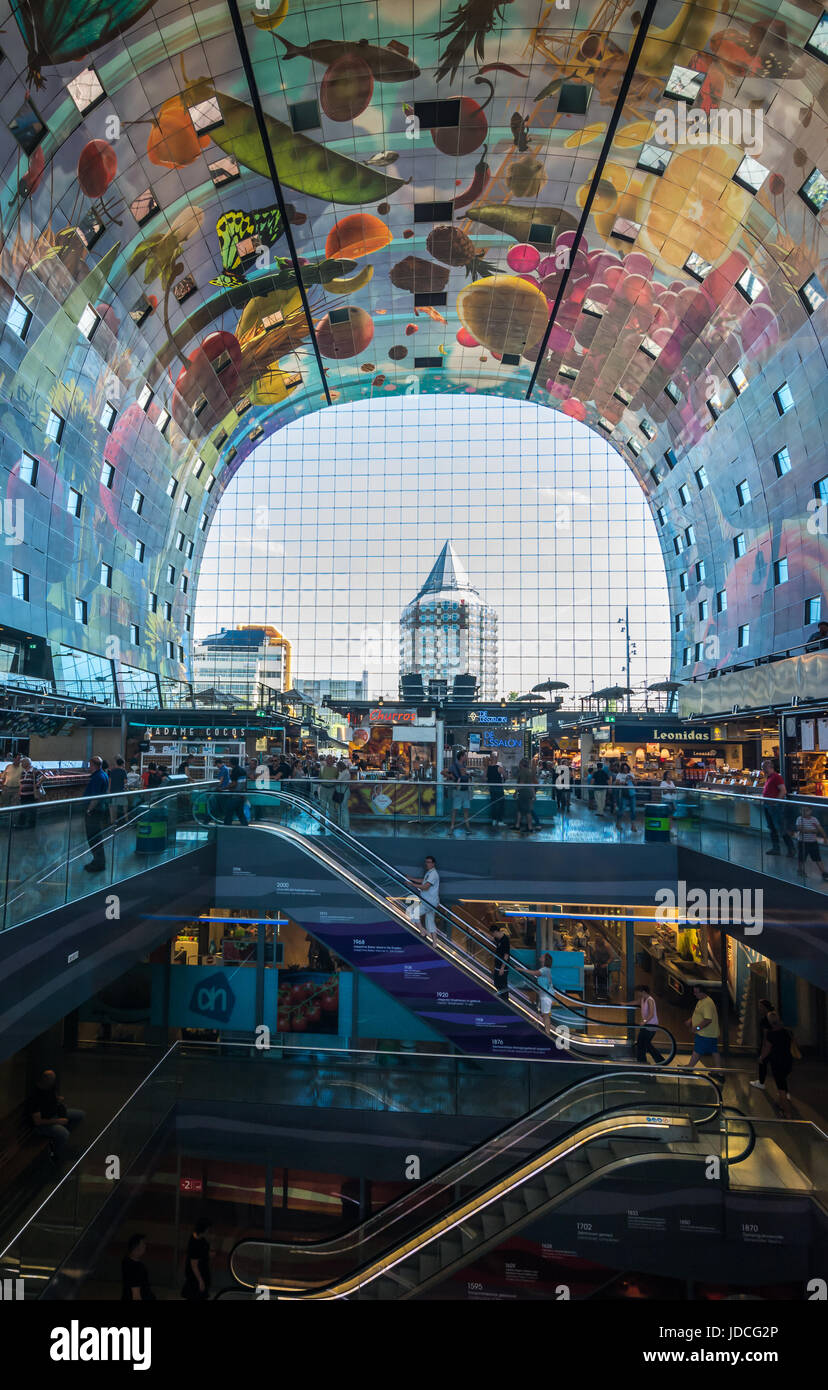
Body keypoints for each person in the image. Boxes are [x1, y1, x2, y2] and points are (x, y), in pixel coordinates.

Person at [28, 1069, 85, 1159]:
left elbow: (52, 1098)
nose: (53, 1082)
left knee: (80, 1114)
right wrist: (58, 1121)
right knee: (63, 1133)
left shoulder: (50, 1087)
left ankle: (61, 1140)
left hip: (54, 1114)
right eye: (52, 1080)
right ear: (45, 1080)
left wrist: (57, 1100)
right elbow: (38, 1121)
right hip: (44, 1124)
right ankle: (56, 1153)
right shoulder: (35, 1096)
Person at [758, 1010, 795, 1117]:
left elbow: (767, 1049)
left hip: (777, 1062)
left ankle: (787, 1112)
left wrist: (761, 1058)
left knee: (781, 1088)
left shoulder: (771, 1034)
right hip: (788, 1060)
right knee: (783, 1081)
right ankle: (779, 1102)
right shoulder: (788, 1032)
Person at [761, 758, 794, 858]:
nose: (762, 770)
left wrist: (775, 802)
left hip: (774, 807)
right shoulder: (769, 777)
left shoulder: (776, 777)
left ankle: (791, 848)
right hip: (768, 805)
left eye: (763, 768)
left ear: (769, 767)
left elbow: (783, 791)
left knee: (781, 828)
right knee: (772, 828)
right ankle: (776, 848)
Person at [82, 754, 110, 872]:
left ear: (93, 765)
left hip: (94, 811)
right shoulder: (103, 774)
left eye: (90, 765)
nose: (89, 767)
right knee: (96, 837)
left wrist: (89, 809)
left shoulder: (97, 777)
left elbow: (95, 797)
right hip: (100, 809)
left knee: (93, 837)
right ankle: (98, 860)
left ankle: (99, 863)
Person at [686, 985, 721, 1069]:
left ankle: (690, 1068)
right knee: (714, 1051)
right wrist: (690, 1020)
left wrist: (696, 1028)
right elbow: (698, 1013)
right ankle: (720, 1072)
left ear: (702, 992)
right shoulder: (702, 1000)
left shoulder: (707, 1004)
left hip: (705, 1034)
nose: (694, 994)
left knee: (697, 1050)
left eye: (696, 992)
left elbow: (708, 1020)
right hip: (710, 1033)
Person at [408, 855, 440, 939]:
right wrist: (411, 878)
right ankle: (435, 942)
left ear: (433, 863)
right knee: (430, 921)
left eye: (429, 862)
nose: (427, 864)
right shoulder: (430, 872)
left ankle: (423, 931)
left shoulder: (433, 874)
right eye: (426, 862)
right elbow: (423, 881)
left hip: (429, 902)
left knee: (414, 913)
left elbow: (425, 886)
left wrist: (411, 884)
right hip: (429, 901)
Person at [524, 951, 555, 1034]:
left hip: (546, 996)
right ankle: (547, 1031)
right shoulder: (545, 969)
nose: (541, 956)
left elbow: (535, 973)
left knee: (546, 1015)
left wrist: (521, 969)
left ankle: (548, 1033)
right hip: (546, 995)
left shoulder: (544, 970)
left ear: (545, 960)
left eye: (543, 956)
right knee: (545, 1014)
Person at [181, 1218, 212, 1300]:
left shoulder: (197, 1237)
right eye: (207, 1230)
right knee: (196, 1294)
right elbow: (194, 1265)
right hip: (197, 1274)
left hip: (199, 1271)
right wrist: (200, 1281)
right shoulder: (195, 1244)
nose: (208, 1231)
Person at [794, 807, 828, 881]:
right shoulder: (799, 819)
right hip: (802, 842)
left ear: (811, 811)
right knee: (802, 858)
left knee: (817, 857)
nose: (804, 812)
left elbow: (819, 828)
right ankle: (800, 870)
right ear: (800, 811)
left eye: (806, 810)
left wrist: (825, 837)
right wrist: (812, 831)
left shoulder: (814, 819)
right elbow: (799, 829)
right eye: (802, 810)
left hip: (813, 842)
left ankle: (824, 872)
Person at [634, 984, 664, 1064]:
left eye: (638, 992)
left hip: (651, 1026)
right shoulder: (643, 999)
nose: (637, 994)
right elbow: (636, 1002)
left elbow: (651, 1014)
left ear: (643, 992)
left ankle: (659, 1060)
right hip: (646, 1025)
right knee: (642, 1043)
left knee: (645, 1044)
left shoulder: (650, 1000)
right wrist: (625, 1004)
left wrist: (644, 1021)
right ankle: (642, 1061)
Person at [750, 997, 775, 1091]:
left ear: (765, 1007)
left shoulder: (765, 1019)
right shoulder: (772, 1017)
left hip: (767, 1044)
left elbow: (765, 1034)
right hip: (773, 1044)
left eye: (760, 1006)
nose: (759, 1008)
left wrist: (763, 1047)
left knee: (762, 1063)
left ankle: (761, 1082)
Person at [122, 1234, 155, 1302]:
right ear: (136, 1247)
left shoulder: (127, 1260)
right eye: (143, 1244)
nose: (145, 1246)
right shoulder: (137, 1267)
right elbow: (136, 1295)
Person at [448, 748, 472, 834]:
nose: (466, 757)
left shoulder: (464, 766)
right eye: (465, 756)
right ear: (461, 757)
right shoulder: (454, 765)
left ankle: (467, 826)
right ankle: (452, 826)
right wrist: (453, 777)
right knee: (455, 809)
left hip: (465, 790)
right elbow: (445, 772)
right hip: (458, 790)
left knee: (465, 809)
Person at [16, 756, 44, 829]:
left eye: (22, 763)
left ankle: (31, 825)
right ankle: (21, 824)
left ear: (27, 763)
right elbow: (21, 784)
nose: (21, 764)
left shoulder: (35, 771)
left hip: (32, 795)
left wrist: (37, 785)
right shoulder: (23, 772)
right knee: (23, 810)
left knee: (32, 811)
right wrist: (19, 793)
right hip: (23, 795)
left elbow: (44, 777)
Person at [514, 757, 536, 834]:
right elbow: (531, 784)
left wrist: (515, 792)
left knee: (525, 811)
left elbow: (521, 783)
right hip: (529, 792)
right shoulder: (530, 772)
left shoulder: (522, 771)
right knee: (525, 810)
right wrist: (534, 795)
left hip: (524, 793)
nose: (519, 764)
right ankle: (518, 825)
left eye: (520, 763)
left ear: (522, 764)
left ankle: (529, 827)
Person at [486, 751, 506, 828]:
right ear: (495, 758)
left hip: (491, 788)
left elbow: (484, 778)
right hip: (499, 788)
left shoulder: (488, 768)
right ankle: (500, 820)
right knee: (501, 804)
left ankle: (494, 820)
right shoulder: (499, 768)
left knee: (494, 804)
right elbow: (506, 776)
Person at [491, 922, 511, 998]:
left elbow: (506, 955)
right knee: (496, 983)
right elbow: (492, 938)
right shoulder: (498, 938)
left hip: (502, 968)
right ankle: (503, 998)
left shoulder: (505, 940)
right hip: (497, 965)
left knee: (502, 985)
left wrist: (502, 968)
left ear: (496, 932)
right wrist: (482, 932)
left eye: (493, 933)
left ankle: (505, 999)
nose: (493, 935)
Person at [591, 933, 612, 1001]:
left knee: (604, 979)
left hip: (604, 963)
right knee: (596, 976)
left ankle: (604, 993)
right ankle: (597, 992)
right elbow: (595, 953)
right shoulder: (596, 944)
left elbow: (612, 957)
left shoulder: (606, 945)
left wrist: (607, 964)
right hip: (598, 963)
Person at [615, 761, 638, 827]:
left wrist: (632, 779)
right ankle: (618, 822)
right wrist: (622, 782)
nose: (625, 770)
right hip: (624, 793)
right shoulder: (619, 774)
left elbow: (635, 784)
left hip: (632, 793)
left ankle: (633, 824)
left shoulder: (631, 774)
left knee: (633, 809)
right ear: (622, 769)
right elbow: (616, 782)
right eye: (624, 769)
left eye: (626, 768)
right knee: (622, 809)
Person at [108, 755, 128, 824]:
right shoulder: (123, 771)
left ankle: (113, 821)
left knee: (114, 807)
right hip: (121, 791)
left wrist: (109, 791)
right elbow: (125, 783)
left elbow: (109, 782)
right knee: (125, 806)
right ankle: (126, 819)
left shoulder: (112, 771)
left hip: (113, 791)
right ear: (122, 764)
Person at [319, 754, 338, 822]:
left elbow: (338, 778)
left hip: (332, 789)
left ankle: (332, 824)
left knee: (331, 807)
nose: (330, 760)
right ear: (326, 760)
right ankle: (322, 824)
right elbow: (320, 778)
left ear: (333, 760)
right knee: (322, 807)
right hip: (323, 788)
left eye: (331, 759)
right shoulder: (322, 768)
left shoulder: (336, 769)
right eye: (328, 758)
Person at [334, 759, 352, 830]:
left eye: (337, 767)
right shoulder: (344, 772)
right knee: (341, 809)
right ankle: (341, 825)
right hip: (342, 792)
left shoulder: (345, 773)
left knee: (343, 809)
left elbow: (339, 781)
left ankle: (345, 827)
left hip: (343, 792)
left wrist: (333, 780)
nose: (337, 769)